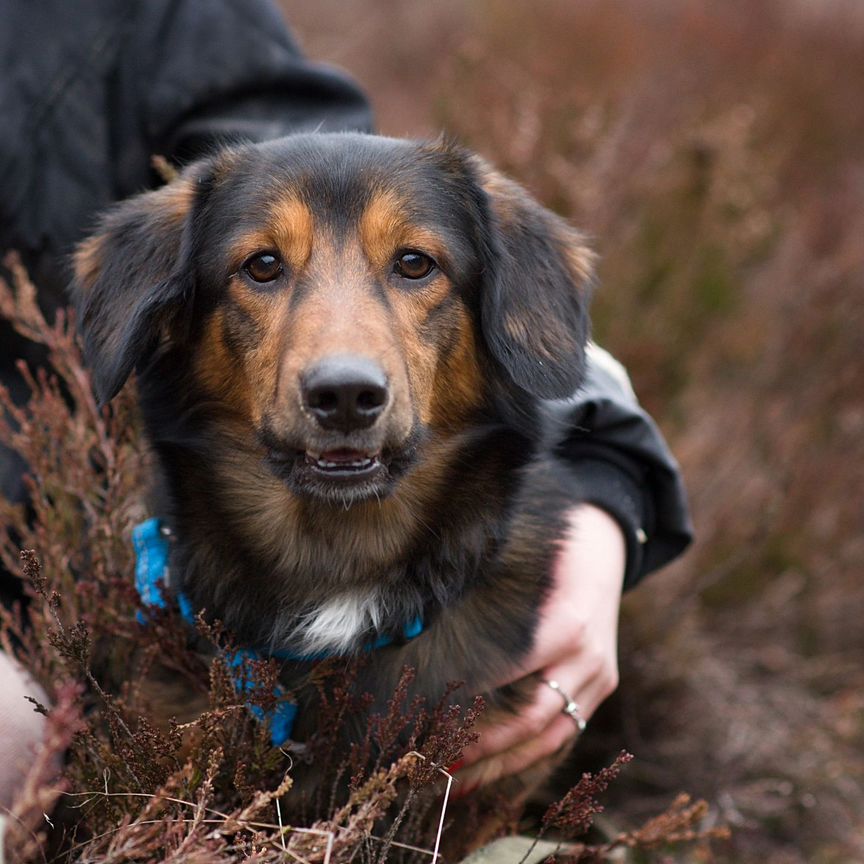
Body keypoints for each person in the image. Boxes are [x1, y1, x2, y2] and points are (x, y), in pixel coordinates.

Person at [0, 0, 692, 806]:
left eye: (412, 265)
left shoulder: (142, 17)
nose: (342, 364)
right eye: (264, 268)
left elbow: (551, 347)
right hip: (61, 624)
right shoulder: (134, 644)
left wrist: (611, 497)